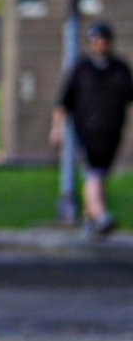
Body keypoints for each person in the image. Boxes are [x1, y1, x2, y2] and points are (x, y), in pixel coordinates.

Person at [52, 21, 133, 234]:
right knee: (93, 173)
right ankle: (102, 215)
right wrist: (57, 129)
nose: (100, 44)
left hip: (112, 130)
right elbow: (64, 103)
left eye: (104, 40)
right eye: (96, 40)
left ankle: (91, 218)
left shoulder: (120, 69)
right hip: (86, 130)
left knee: (101, 174)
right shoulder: (81, 69)